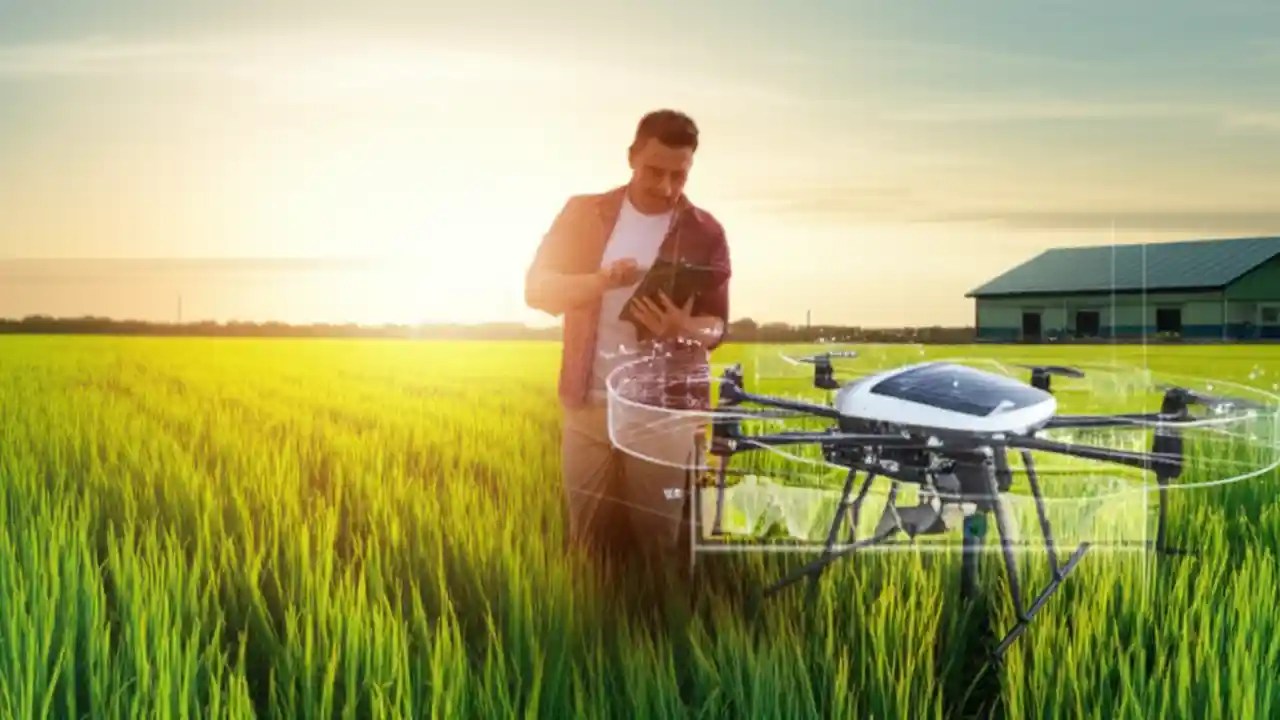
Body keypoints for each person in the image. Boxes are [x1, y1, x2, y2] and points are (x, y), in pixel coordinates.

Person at [524, 109, 732, 577]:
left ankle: (663, 635)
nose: (665, 187)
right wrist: (599, 281)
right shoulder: (584, 214)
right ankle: (594, 637)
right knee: (588, 543)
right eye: (653, 171)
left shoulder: (705, 232)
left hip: (664, 414)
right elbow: (538, 290)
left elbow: (719, 328)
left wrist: (683, 325)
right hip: (588, 405)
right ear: (632, 157)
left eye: (678, 175)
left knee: (661, 546)